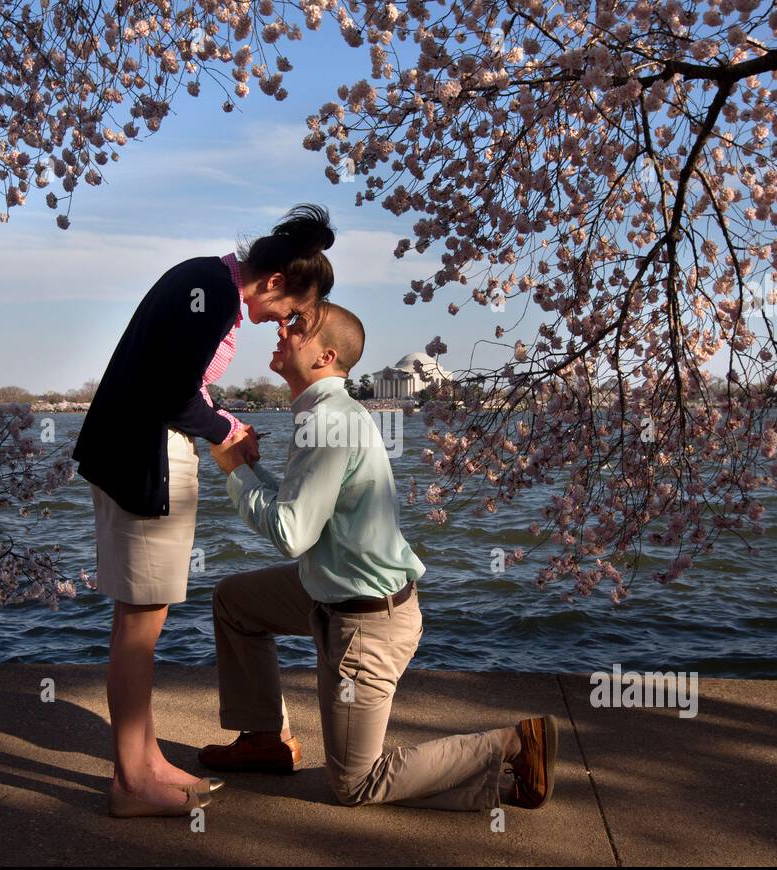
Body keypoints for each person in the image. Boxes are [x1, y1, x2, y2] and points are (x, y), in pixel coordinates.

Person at [200, 301, 558, 811]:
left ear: (325, 356)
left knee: (354, 784)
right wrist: (250, 471)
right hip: (334, 588)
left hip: (366, 622)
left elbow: (293, 532)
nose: (281, 327)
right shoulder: (328, 414)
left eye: (296, 325)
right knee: (236, 602)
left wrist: (233, 471)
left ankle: (514, 744)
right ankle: (263, 739)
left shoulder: (328, 423)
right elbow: (309, 509)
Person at [72, 205, 336, 817]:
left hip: (133, 452)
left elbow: (171, 380)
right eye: (292, 309)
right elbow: (171, 392)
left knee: (141, 619)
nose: (287, 322)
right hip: (144, 460)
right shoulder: (213, 292)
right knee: (141, 625)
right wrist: (229, 430)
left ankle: (143, 760)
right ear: (272, 282)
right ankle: (132, 782)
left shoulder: (206, 280)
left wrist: (218, 425)